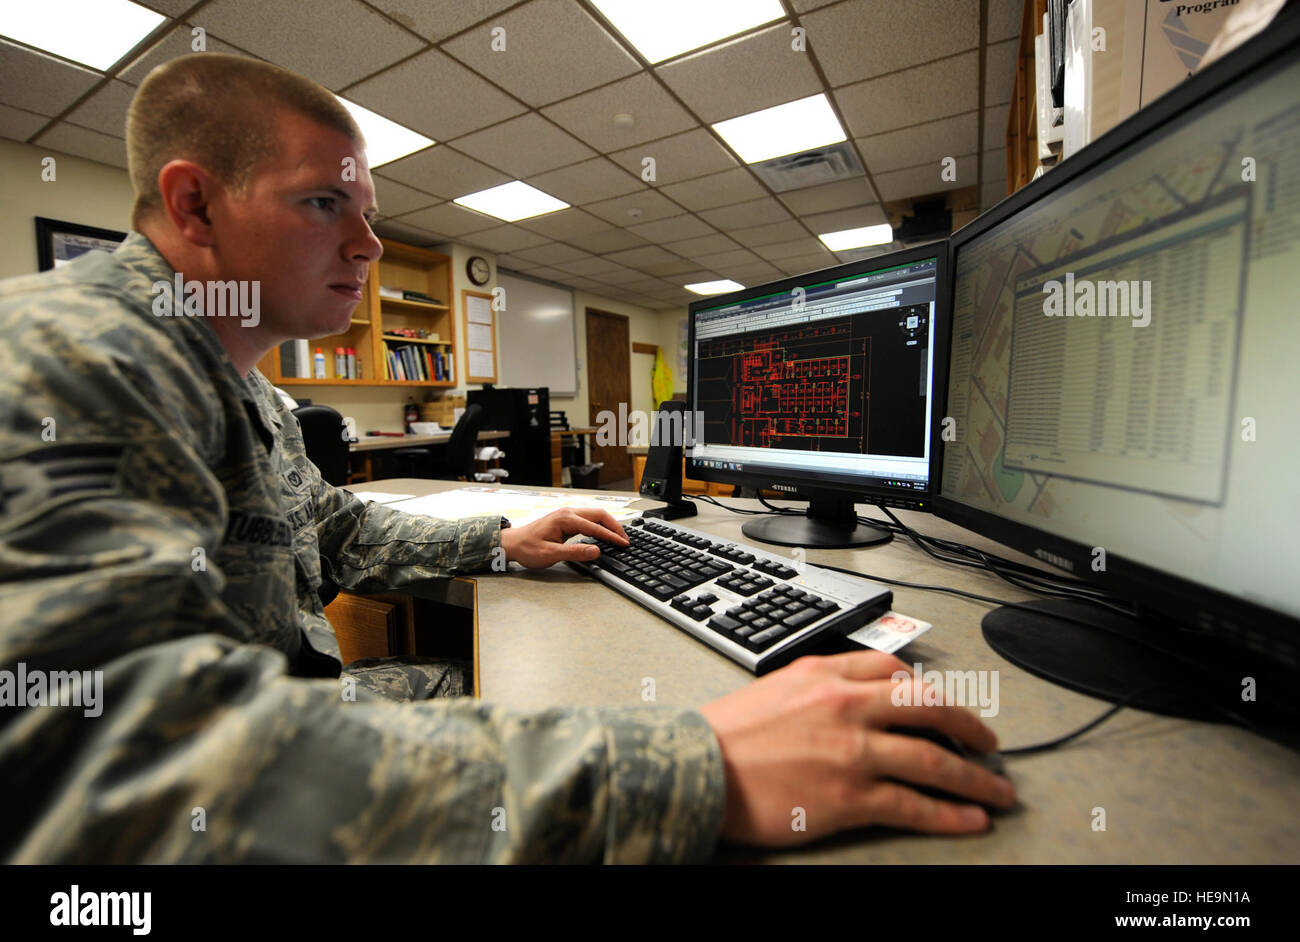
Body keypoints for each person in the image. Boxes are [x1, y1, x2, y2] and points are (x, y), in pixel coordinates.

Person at [0, 53, 1015, 863]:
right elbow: (122, 778)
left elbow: (331, 526)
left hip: (294, 712)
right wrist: (691, 768)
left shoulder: (242, 384)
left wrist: (502, 537)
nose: (366, 241)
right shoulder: (79, 354)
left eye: (367, 208)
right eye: (324, 203)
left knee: (538, 693)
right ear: (195, 207)